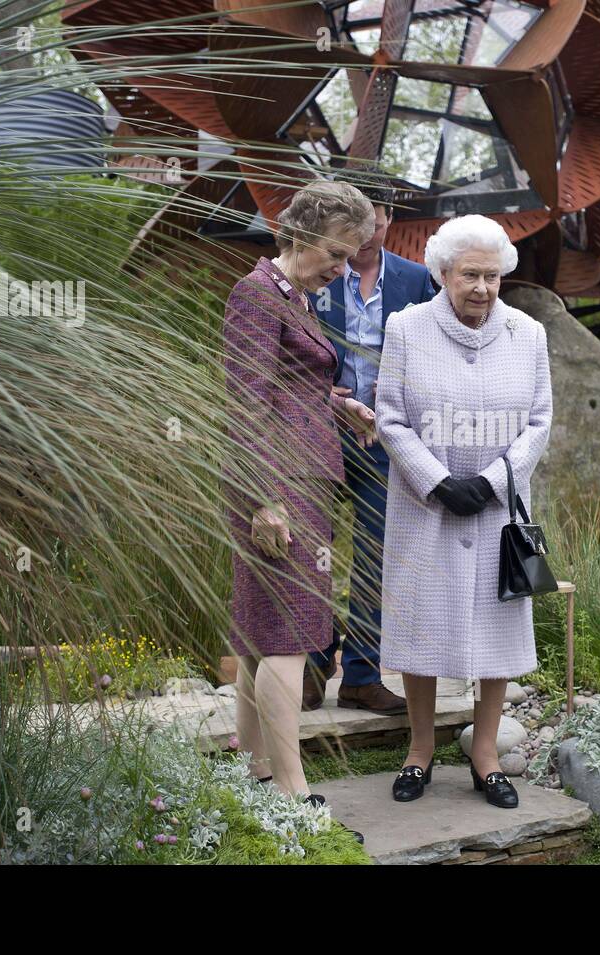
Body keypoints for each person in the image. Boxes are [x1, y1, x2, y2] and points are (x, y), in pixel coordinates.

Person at [373, 214, 553, 809]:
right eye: (469, 274)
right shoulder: (406, 329)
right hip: (427, 508)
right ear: (442, 273)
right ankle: (419, 751)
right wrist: (438, 481)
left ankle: (486, 754)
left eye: (492, 275)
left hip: (498, 511)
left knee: (498, 627)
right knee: (422, 625)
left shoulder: (527, 334)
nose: (482, 286)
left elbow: (539, 421)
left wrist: (495, 481)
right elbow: (390, 416)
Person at [222, 180, 377, 820]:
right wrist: (265, 500)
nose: (343, 269)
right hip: (278, 489)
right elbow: (246, 401)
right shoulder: (256, 296)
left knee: (264, 636)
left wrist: (343, 406)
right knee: (286, 638)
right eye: (338, 255)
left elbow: (293, 387)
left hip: (302, 485)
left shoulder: (295, 299)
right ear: (304, 236)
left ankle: (255, 771)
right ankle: (292, 792)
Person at [307, 182, 436, 714]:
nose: (365, 231)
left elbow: (437, 352)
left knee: (378, 556)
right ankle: (311, 668)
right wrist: (325, 394)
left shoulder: (417, 279)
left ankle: (361, 674)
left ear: (387, 220)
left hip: (386, 440)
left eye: (376, 217)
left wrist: (408, 391)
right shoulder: (312, 274)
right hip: (316, 432)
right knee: (307, 551)